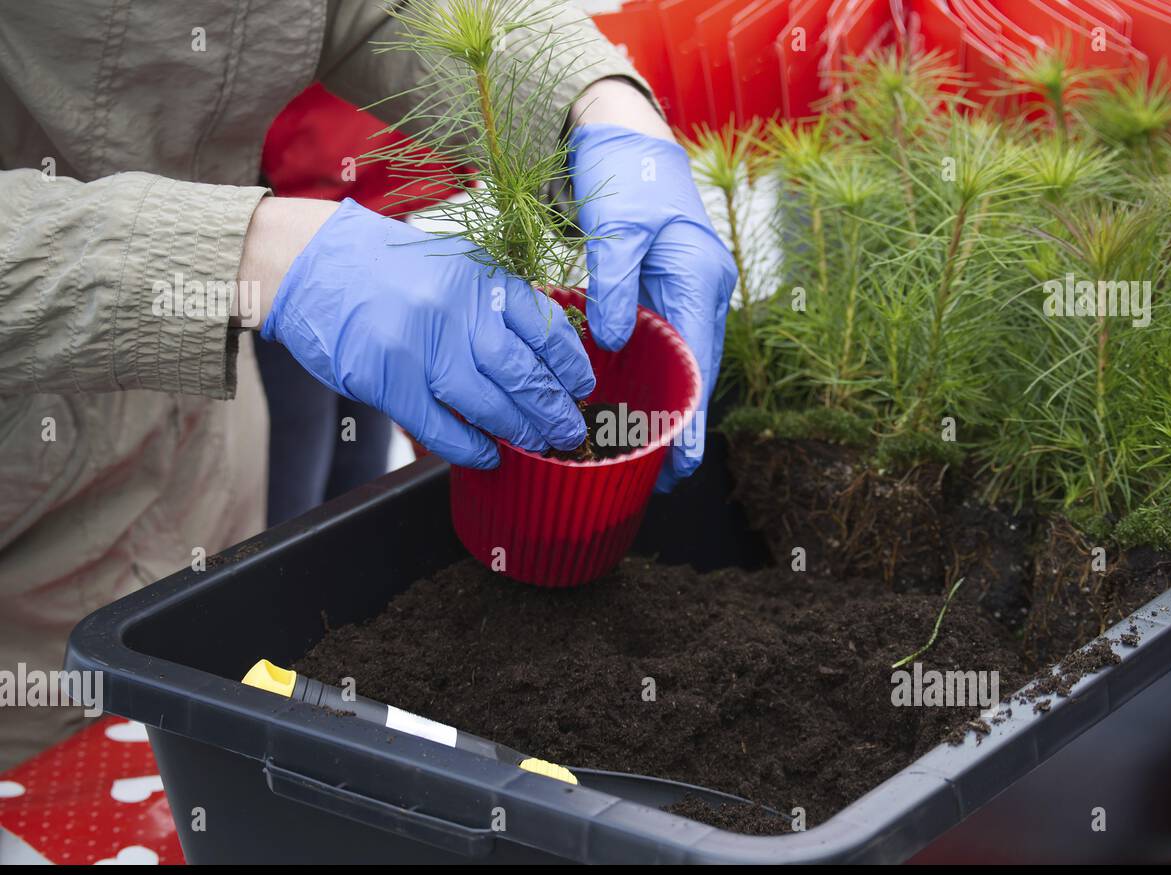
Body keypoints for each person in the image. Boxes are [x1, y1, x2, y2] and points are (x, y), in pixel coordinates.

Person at [0, 0, 736, 769]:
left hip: (192, 448)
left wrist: (595, 106)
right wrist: (249, 257)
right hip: (24, 551)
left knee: (203, 768)